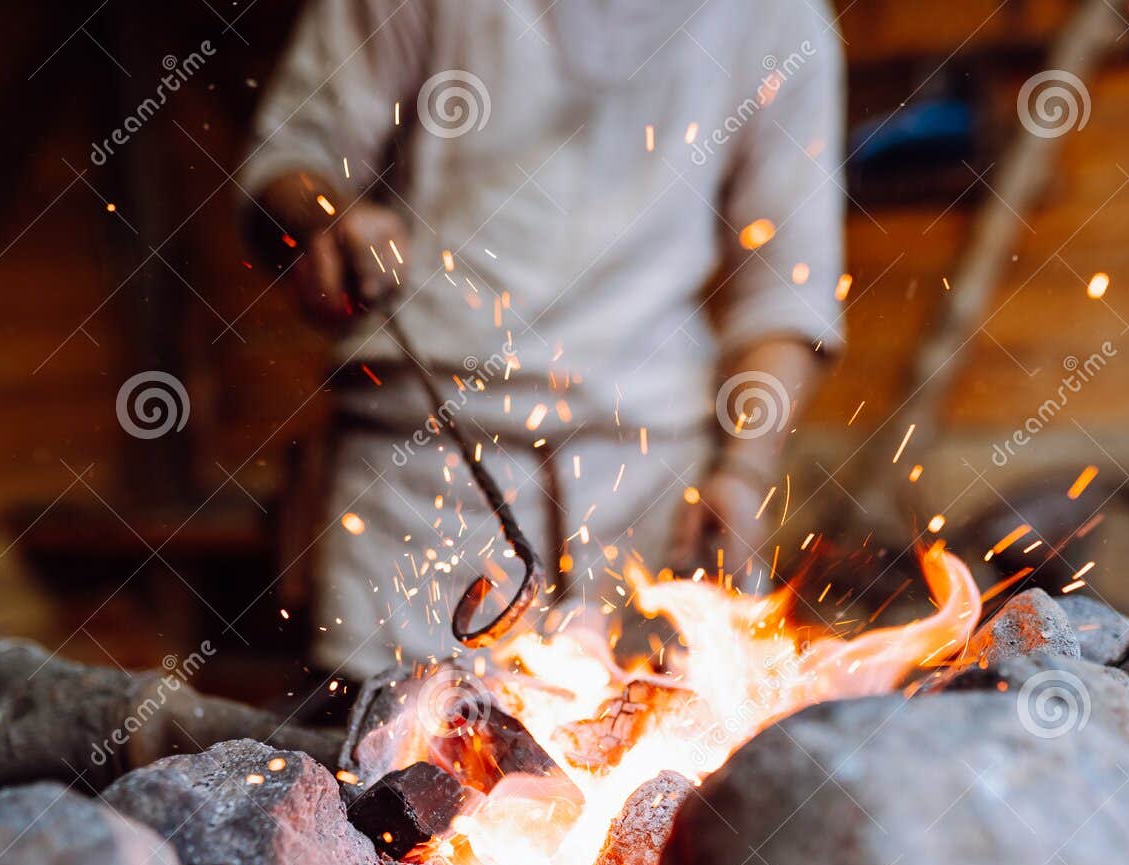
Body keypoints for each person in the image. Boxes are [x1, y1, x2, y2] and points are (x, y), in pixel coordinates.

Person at [242, 0, 844, 689]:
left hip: (646, 497)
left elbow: (789, 289)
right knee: (394, 751)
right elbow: (291, 159)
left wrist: (744, 472)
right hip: (421, 489)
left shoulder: (781, 19)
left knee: (650, 749)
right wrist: (326, 215)